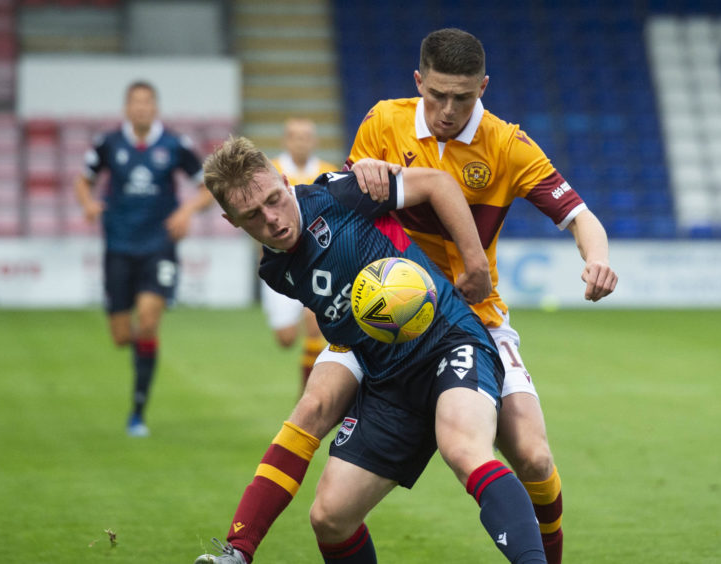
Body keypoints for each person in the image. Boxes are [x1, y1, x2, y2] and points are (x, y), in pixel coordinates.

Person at [200, 28, 618, 564]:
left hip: (468, 312)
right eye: (436, 95)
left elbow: (579, 216)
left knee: (533, 457)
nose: (447, 110)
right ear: (418, 82)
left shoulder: (508, 147)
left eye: (462, 98)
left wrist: (596, 258)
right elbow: (343, 211)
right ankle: (238, 548)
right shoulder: (382, 122)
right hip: (380, 309)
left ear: (483, 88)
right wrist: (365, 170)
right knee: (315, 416)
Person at [196, 136, 546, 563]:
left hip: (448, 340)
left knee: (464, 449)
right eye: (252, 215)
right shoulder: (275, 271)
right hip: (386, 381)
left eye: (274, 199)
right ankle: (239, 550)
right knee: (329, 516)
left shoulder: (342, 191)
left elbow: (437, 183)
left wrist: (474, 263)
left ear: (286, 182)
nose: (272, 219)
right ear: (231, 221)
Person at [74, 80, 213, 437]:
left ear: (155, 108)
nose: (141, 108)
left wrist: (185, 213)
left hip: (159, 246)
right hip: (119, 247)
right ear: (126, 108)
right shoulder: (108, 144)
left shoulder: (174, 144)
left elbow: (207, 187)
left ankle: (137, 412)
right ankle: (143, 353)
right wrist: (89, 204)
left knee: (148, 321)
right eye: (135, 103)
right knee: (123, 336)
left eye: (147, 102)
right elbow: (83, 180)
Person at [261, 118, 337, 393]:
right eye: (296, 137)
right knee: (286, 338)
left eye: (307, 137)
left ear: (314, 141)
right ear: (286, 140)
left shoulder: (327, 173)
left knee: (314, 328)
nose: (301, 142)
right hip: (282, 266)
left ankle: (308, 400)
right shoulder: (270, 171)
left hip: (318, 265)